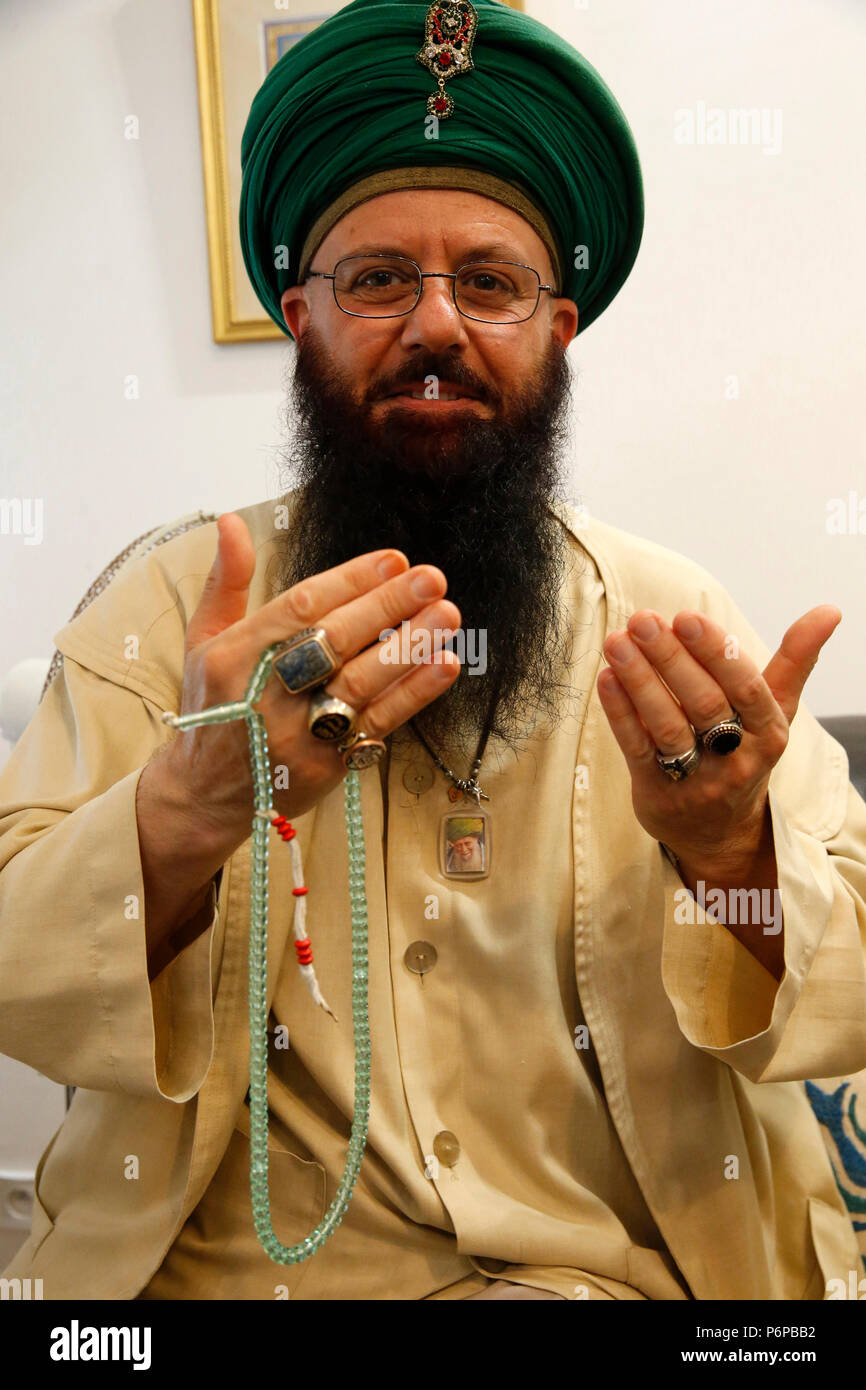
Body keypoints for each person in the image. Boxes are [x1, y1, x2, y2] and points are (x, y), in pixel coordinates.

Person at [1, 0, 865, 1302]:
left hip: (607, 1277)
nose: (436, 326)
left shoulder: (670, 617)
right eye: (378, 280)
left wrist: (730, 852)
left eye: (491, 282)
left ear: (557, 332)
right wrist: (182, 815)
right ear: (301, 319)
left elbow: (845, 988)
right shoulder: (168, 605)